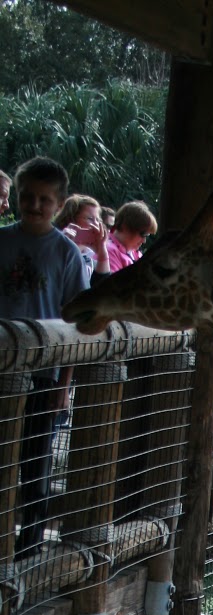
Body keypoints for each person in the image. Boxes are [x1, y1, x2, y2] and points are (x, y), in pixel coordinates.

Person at [0, 155, 90, 554]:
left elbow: (76, 326)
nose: (34, 205)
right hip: (2, 367)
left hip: (43, 376)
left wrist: (64, 385)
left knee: (34, 462)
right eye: (27, 197)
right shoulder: (3, 240)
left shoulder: (67, 254)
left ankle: (29, 544)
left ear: (58, 202)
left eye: (43, 199)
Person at [56, 193, 111, 278]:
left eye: (98, 220)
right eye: (90, 219)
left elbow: (102, 285)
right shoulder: (55, 244)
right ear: (71, 219)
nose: (96, 224)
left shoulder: (90, 255)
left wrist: (102, 253)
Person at [106, 200, 157, 273]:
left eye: (147, 236)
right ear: (125, 227)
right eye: (143, 234)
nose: (144, 241)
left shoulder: (133, 252)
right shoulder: (109, 251)